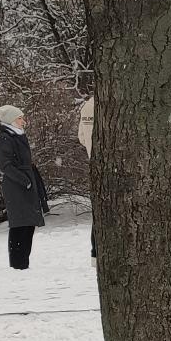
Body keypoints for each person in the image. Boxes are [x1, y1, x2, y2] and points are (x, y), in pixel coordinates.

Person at [0, 103, 48, 269]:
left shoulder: (17, 136)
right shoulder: (5, 139)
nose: (24, 121)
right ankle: (18, 264)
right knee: (20, 224)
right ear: (11, 120)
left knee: (28, 224)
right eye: (20, 118)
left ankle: (22, 263)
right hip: (17, 187)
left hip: (25, 184)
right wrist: (25, 180)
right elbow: (6, 166)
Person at [77, 94, 95, 257]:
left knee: (97, 210)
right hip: (112, 162)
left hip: (93, 161)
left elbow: (81, 137)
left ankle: (95, 251)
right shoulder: (110, 103)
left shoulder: (86, 107)